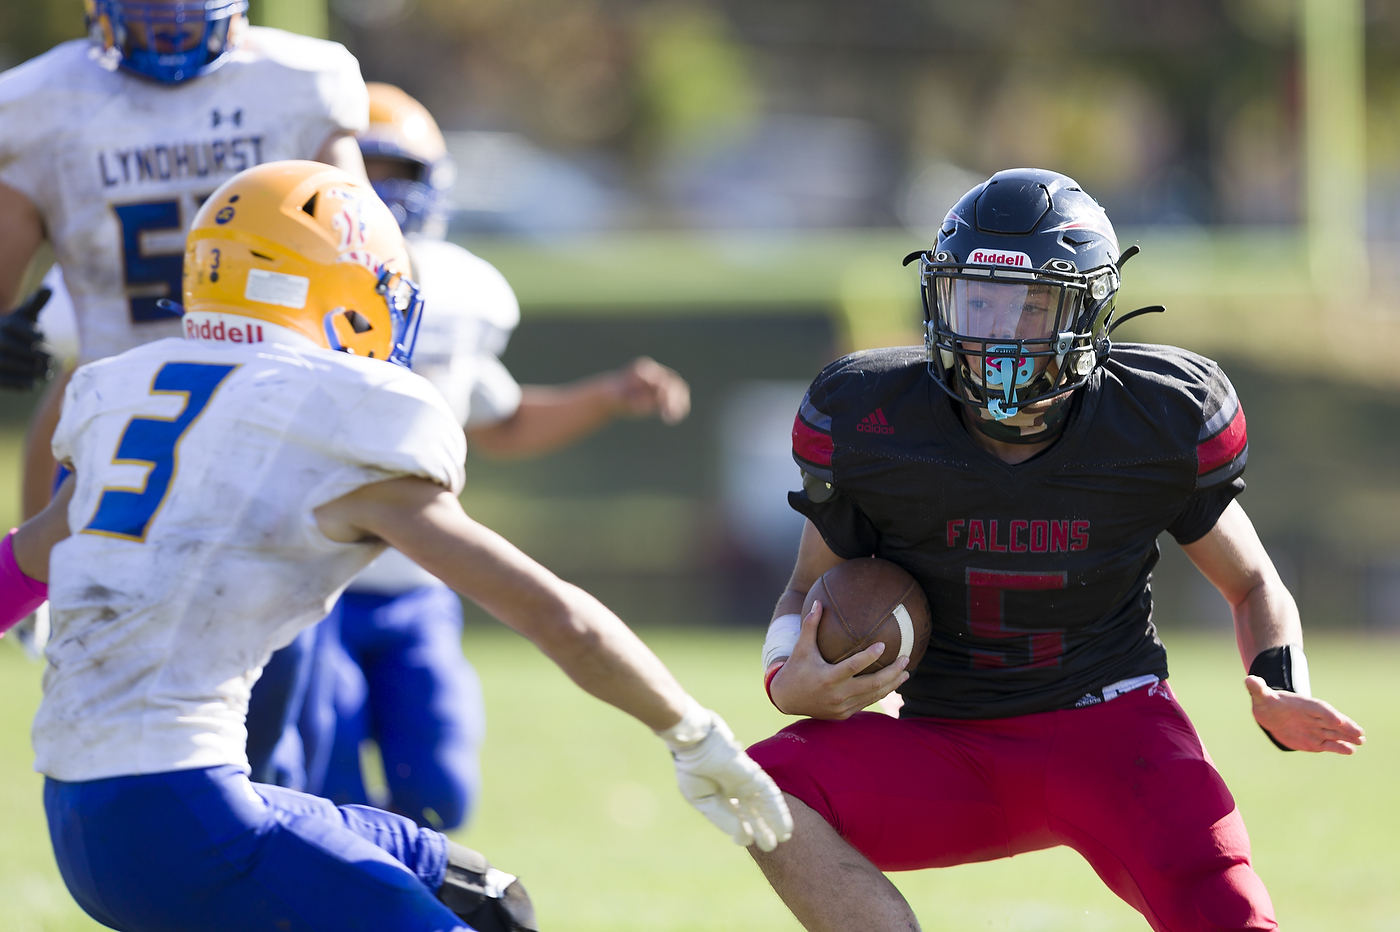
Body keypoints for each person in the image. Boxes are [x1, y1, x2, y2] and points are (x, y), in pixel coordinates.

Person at [0, 160, 791, 932]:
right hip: (183, 813)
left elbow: (24, 559)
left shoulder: (127, 388)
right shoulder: (340, 415)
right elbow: (556, 617)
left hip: (85, 810)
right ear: (334, 288)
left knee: (477, 894)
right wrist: (692, 731)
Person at [746, 168, 1364, 932]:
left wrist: (1278, 680)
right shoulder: (875, 424)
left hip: (1116, 734)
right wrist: (787, 677)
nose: (995, 332)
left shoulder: (1156, 419)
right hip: (948, 746)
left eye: (1029, 305)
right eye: (976, 299)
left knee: (1228, 912)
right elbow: (804, 586)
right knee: (763, 787)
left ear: (1087, 310)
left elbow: (1252, 584)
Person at [244, 84, 693, 830]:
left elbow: (502, 419)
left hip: (419, 584)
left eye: (398, 173)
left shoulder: (461, 292)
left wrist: (605, 395)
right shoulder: (286, 284)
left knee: (442, 792)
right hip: (313, 587)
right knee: (325, 781)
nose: (380, 192)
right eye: (365, 171)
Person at [0, 0, 372, 522]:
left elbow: (361, 253)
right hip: (119, 427)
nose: (171, 11)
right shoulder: (38, 101)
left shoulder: (300, 80)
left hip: (277, 418)